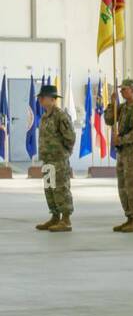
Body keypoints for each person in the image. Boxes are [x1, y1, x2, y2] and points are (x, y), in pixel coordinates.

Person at [105, 77, 133, 232]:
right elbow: (109, 120)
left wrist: (121, 139)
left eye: (124, 89)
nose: (121, 91)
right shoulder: (123, 107)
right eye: (121, 89)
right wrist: (112, 103)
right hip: (124, 153)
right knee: (123, 187)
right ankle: (129, 216)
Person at [33, 84, 74, 232]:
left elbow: (70, 137)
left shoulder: (60, 115)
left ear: (52, 99)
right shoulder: (45, 116)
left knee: (61, 189)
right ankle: (55, 216)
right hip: (47, 160)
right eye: (39, 98)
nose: (40, 100)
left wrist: (64, 154)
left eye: (42, 97)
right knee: (49, 189)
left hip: (58, 160)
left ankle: (66, 219)